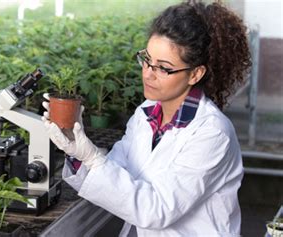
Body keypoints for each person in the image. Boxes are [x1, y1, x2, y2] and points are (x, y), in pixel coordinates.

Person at [42, 0, 251, 236]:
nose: (148, 74)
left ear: (195, 73)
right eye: (147, 59)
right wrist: (78, 151)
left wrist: (92, 158)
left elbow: (157, 210)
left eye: (163, 68)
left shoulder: (212, 134)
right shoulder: (148, 112)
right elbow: (116, 170)